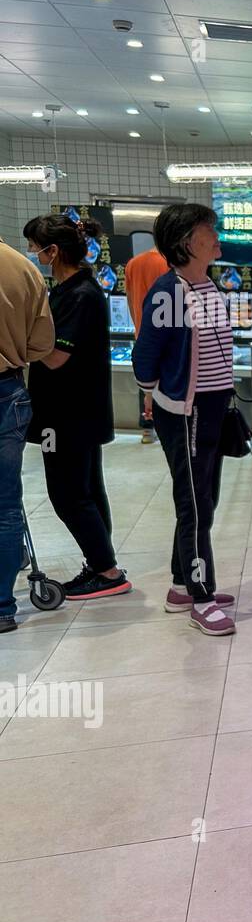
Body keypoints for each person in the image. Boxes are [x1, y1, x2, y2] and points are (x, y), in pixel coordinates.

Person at [132, 204, 238, 636]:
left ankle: (181, 585)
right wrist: (160, 392)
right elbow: (144, 359)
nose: (215, 236)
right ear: (184, 242)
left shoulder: (205, 285)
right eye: (206, 230)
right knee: (193, 502)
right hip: (186, 412)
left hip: (210, 408)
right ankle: (201, 595)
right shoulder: (167, 293)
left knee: (205, 498)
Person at [23, 213, 129, 600]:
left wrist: (18, 339)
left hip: (65, 414)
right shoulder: (72, 290)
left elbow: (56, 358)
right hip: (76, 411)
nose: (32, 254)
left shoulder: (79, 295)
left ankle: (107, 570)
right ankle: (102, 562)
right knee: (87, 490)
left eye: (35, 248)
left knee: (68, 495)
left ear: (54, 251)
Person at [0, 238, 55, 633]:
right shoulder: (23, 267)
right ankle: (3, 606)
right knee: (5, 506)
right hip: (8, 393)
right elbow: (42, 344)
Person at [125, 244, 168, 444]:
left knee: (145, 382)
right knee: (164, 381)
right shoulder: (169, 264)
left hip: (142, 331)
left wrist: (137, 325)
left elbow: (129, 298)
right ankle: (162, 425)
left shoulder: (133, 264)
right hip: (164, 333)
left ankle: (147, 429)